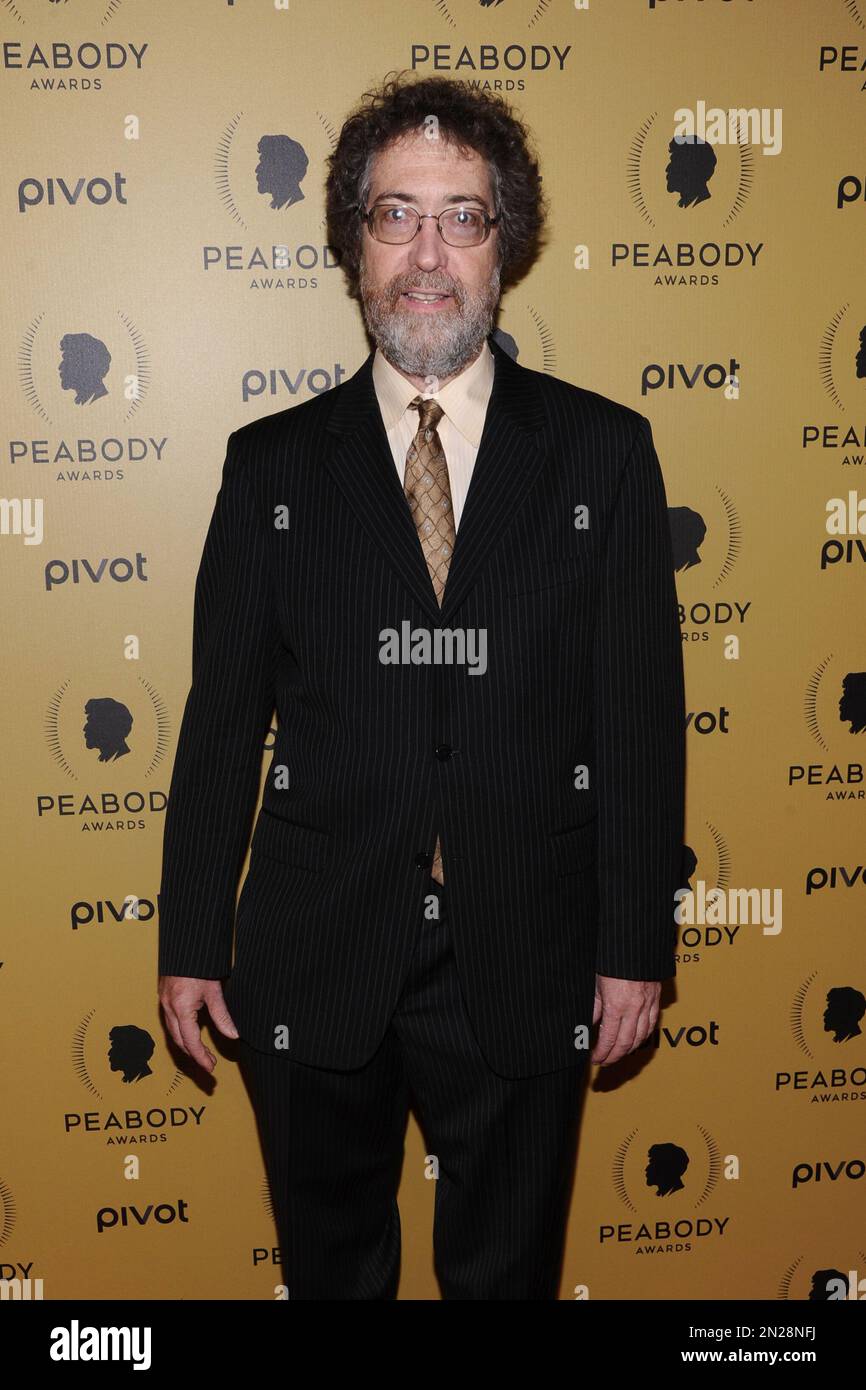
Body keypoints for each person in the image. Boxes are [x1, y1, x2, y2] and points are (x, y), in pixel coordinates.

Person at [157, 72, 686, 1300]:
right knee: (331, 1277)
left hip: (528, 951)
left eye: (463, 216)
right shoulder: (270, 466)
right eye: (396, 215)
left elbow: (638, 721)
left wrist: (632, 942)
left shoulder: (601, 453)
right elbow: (223, 721)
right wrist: (189, 937)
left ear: (509, 248)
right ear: (353, 243)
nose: (429, 254)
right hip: (312, 951)